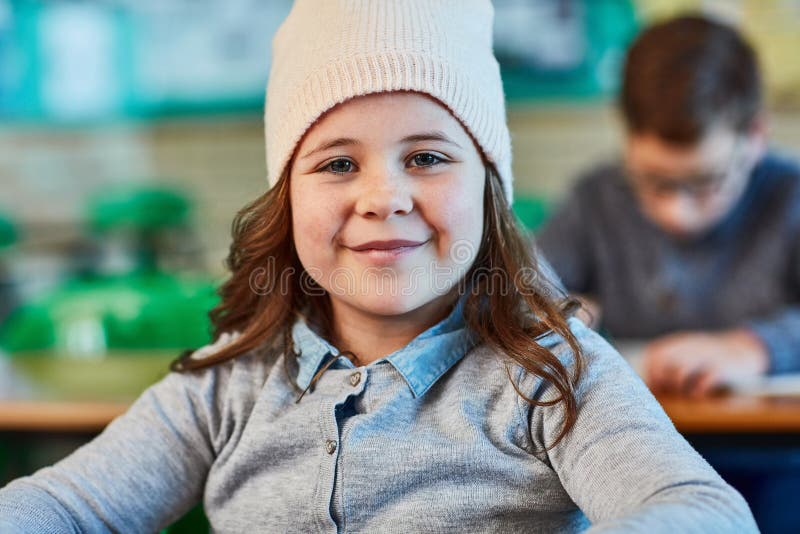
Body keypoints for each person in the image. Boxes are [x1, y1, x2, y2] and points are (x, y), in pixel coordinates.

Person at [0, 2, 756, 532]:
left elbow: (703, 511)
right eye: (336, 163)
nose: (383, 197)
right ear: (286, 200)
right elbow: (67, 507)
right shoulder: (227, 382)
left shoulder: (551, 373)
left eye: (427, 156)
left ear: (489, 192)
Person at [537, 14, 800, 398]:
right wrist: (554, 315)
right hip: (628, 443)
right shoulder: (595, 198)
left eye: (707, 182)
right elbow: (521, 294)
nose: (676, 211)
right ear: (627, 136)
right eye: (653, 181)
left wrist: (753, 349)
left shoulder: (790, 195)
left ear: (755, 137)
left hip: (773, 448)